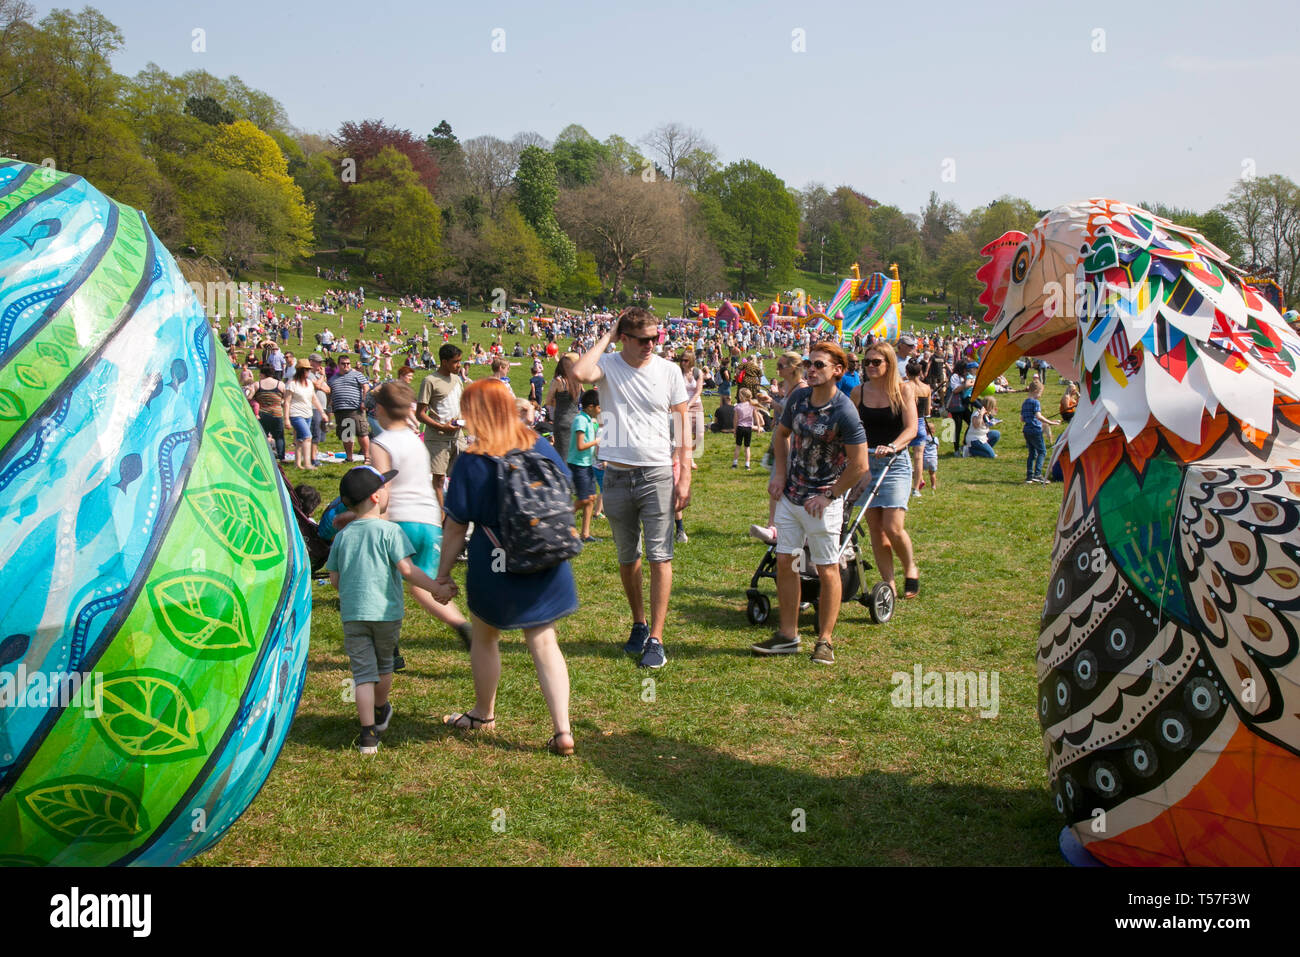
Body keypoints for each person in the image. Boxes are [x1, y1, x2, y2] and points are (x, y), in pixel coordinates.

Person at [432, 380, 577, 756]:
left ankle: (484, 714)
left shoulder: (472, 460)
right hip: (546, 552)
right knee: (545, 641)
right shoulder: (539, 443)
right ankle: (563, 730)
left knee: (485, 636)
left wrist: (442, 575)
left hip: (494, 559)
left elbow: (455, 527)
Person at [571, 307, 690, 669]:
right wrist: (607, 332)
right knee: (628, 557)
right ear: (624, 337)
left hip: (656, 474)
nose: (651, 345)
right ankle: (638, 623)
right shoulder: (608, 364)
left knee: (660, 556)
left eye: (656, 338)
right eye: (643, 339)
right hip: (617, 475)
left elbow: (683, 426)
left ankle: (656, 638)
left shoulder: (669, 370)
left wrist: (685, 474)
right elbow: (578, 372)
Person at [752, 341, 867, 665]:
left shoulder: (844, 410)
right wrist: (779, 474)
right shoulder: (799, 399)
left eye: (819, 365)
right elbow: (781, 435)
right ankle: (788, 635)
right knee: (785, 561)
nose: (812, 369)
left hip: (822, 503)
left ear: (837, 371)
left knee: (827, 568)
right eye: (809, 364)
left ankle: (825, 641)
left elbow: (860, 465)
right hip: (791, 495)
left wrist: (829, 496)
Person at [325, 465, 448, 754]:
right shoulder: (391, 531)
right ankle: (381, 711)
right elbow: (407, 570)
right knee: (384, 666)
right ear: (377, 497)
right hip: (387, 615)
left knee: (363, 674)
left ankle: (368, 736)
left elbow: (334, 580)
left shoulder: (342, 536)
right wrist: (436, 588)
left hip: (354, 615)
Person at [369, 380, 474, 649]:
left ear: (379, 409)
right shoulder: (416, 441)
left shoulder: (381, 443)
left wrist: (375, 520)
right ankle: (461, 624)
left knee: (383, 583)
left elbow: (384, 486)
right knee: (422, 583)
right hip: (428, 519)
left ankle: (383, 644)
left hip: (398, 519)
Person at [851, 341, 920, 600]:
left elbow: (911, 429)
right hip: (867, 463)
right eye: (866, 361)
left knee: (893, 526)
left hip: (895, 463)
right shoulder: (859, 392)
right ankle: (888, 584)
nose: (870, 366)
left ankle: (910, 566)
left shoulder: (903, 390)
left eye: (876, 362)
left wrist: (892, 446)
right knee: (876, 529)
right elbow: (852, 426)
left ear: (889, 364)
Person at [416, 344, 466, 512]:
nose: (459, 365)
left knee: (462, 473)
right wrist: (441, 427)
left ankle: (456, 511)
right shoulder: (430, 381)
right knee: (438, 479)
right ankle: (441, 518)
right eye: (455, 362)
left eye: (459, 361)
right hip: (438, 438)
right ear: (444, 362)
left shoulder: (457, 379)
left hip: (458, 436)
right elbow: (420, 414)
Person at [567, 389, 601, 542]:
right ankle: (562, 519)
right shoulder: (580, 420)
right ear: (591, 406)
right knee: (584, 499)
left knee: (591, 498)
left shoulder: (589, 420)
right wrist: (597, 442)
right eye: (599, 407)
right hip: (578, 464)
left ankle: (585, 534)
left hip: (587, 463)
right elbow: (580, 445)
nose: (601, 410)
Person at [328, 354, 372, 463]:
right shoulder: (333, 379)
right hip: (340, 410)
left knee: (362, 433)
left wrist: (364, 401)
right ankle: (349, 457)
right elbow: (330, 393)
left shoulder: (357, 374)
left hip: (355, 409)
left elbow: (366, 387)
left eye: (348, 363)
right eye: (343, 364)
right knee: (346, 435)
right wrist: (330, 406)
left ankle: (367, 457)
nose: (346, 366)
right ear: (338, 365)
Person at [286, 358, 326, 470]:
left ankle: (297, 464)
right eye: (306, 370)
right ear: (300, 371)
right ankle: (308, 463)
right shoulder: (292, 384)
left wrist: (322, 413)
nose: (308, 372)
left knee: (300, 440)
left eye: (308, 370)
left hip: (308, 414)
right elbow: (287, 402)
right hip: (296, 414)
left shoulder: (309, 383)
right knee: (307, 437)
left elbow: (314, 399)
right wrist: (286, 419)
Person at [543, 353, 580, 462]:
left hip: (562, 420)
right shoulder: (576, 381)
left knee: (562, 452)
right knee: (572, 452)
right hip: (574, 419)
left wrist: (555, 403)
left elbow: (548, 400)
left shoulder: (558, 381)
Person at [1021, 379, 1058, 484]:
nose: (1041, 395)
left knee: (1032, 453)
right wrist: (1050, 422)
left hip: (1027, 430)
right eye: (1041, 392)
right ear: (1036, 390)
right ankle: (1037, 474)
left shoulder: (1025, 402)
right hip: (1035, 430)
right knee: (1042, 452)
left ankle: (1029, 476)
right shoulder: (1035, 402)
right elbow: (1038, 416)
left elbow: (1022, 419)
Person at [249, 363, 288, 462]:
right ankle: (281, 457)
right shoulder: (280, 384)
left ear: (263, 373)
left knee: (263, 436)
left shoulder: (257, 384)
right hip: (277, 413)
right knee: (279, 436)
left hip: (263, 413)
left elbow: (248, 398)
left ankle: (262, 457)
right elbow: (286, 399)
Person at [905, 361, 931, 497]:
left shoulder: (904, 387)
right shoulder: (926, 388)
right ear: (920, 372)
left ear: (907, 372)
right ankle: (916, 489)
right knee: (918, 458)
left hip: (906, 425)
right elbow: (927, 410)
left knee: (904, 457)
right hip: (921, 424)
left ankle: (905, 484)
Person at [732, 387, 758, 469]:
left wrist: (734, 430)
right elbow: (756, 417)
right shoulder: (752, 406)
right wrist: (759, 427)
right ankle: (747, 464)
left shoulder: (737, 407)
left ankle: (735, 463)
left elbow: (735, 420)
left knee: (738, 446)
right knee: (747, 447)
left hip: (740, 427)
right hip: (748, 428)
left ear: (741, 397)